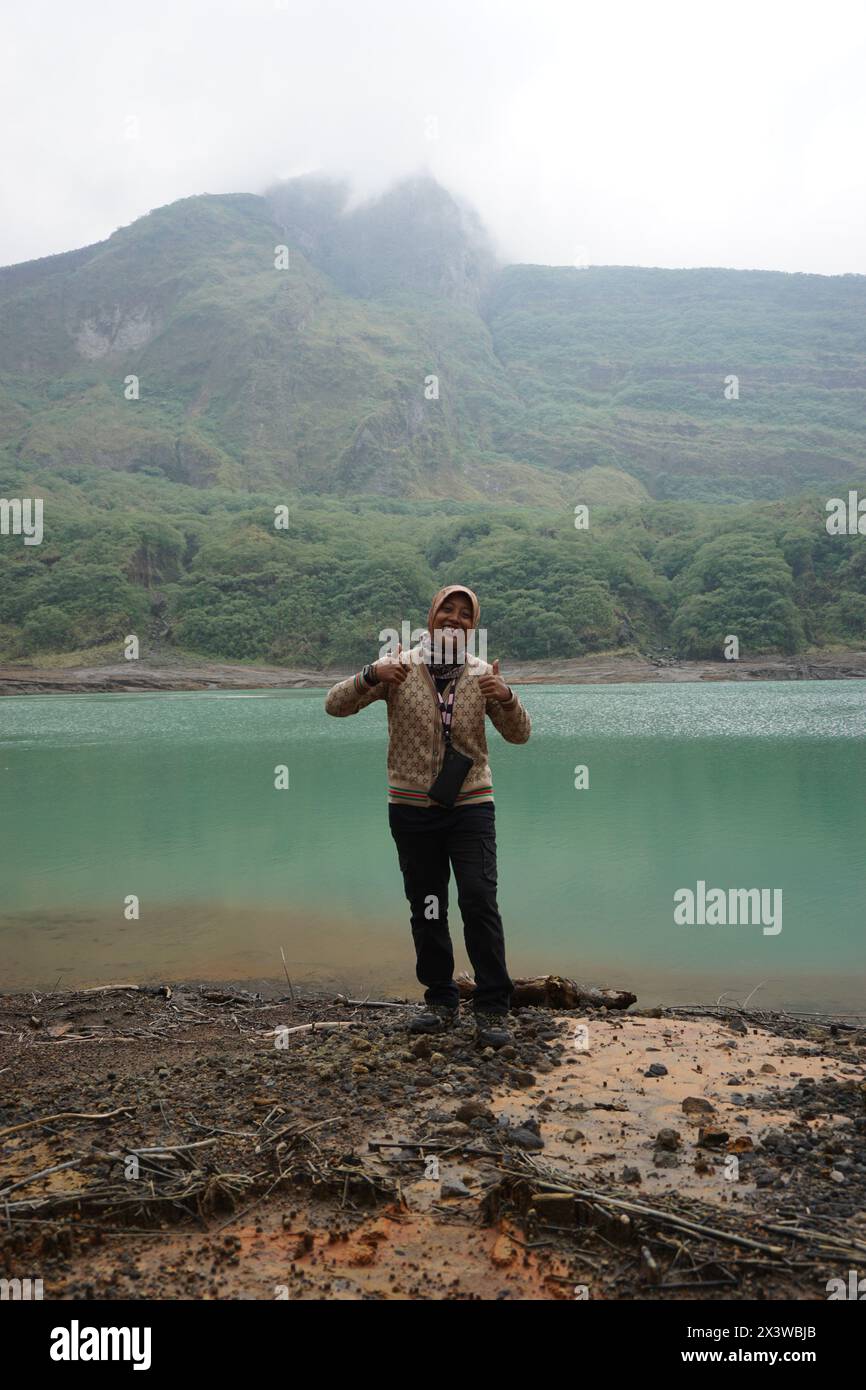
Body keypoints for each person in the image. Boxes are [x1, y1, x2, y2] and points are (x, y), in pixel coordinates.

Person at [324, 585, 531, 1048]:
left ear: (472, 626)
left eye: (464, 614)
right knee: (427, 905)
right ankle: (440, 1001)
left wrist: (508, 695)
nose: (454, 619)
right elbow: (334, 705)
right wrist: (369, 674)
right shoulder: (399, 668)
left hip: (471, 807)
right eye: (447, 610)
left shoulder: (483, 676)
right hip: (412, 810)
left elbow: (520, 735)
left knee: (478, 900)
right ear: (431, 616)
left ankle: (493, 1008)